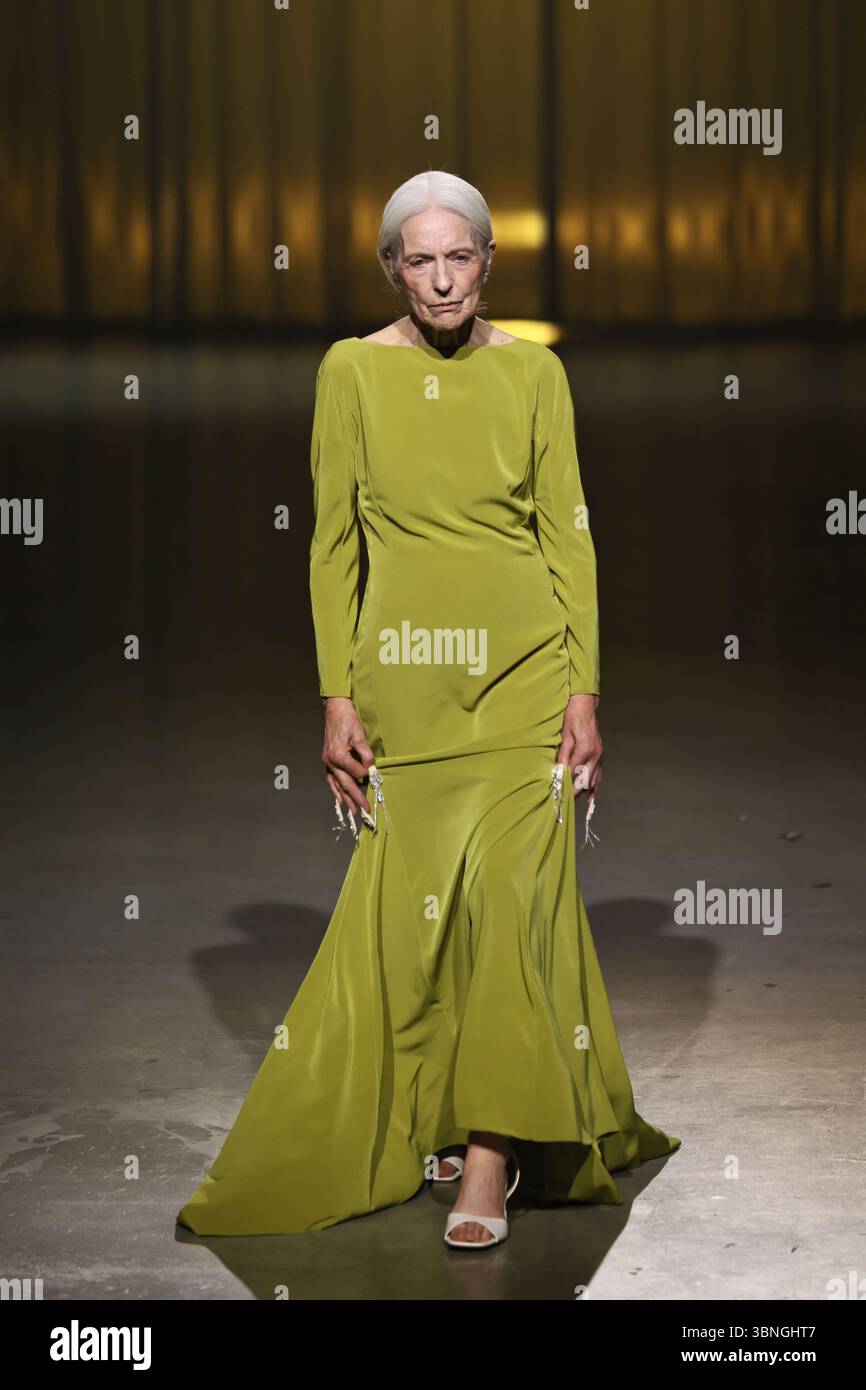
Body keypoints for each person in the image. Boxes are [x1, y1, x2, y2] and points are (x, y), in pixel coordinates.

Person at [177, 169, 680, 1248]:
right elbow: (329, 544)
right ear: (391, 266)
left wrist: (584, 688)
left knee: (507, 903)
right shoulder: (349, 371)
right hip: (402, 687)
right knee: (418, 929)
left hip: (523, 677)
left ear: (489, 264)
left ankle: (488, 1162)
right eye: (421, 259)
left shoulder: (535, 373)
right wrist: (333, 696)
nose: (442, 278)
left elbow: (567, 534)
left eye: (461, 258)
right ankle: (437, 1116)